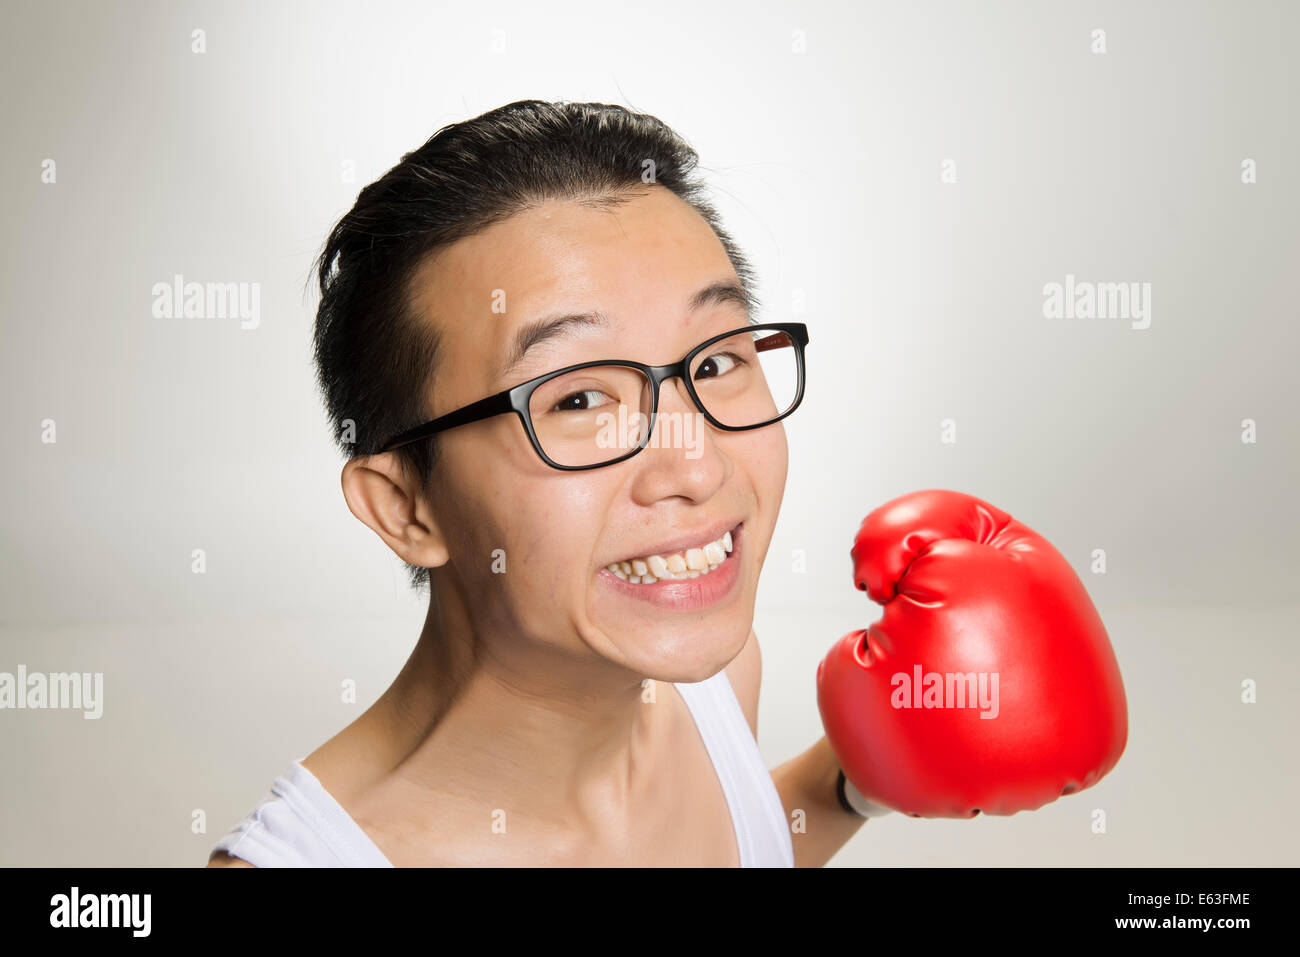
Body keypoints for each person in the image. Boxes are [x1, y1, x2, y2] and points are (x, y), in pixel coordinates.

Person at [207, 100, 866, 867]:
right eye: (579, 399)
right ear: (405, 507)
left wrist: (851, 780)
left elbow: (737, 834)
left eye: (716, 361)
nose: (698, 464)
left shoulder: (710, 677)